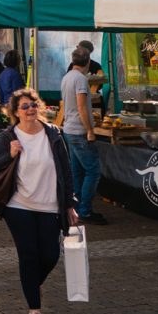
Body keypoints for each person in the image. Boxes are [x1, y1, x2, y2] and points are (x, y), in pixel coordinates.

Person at [0, 87, 78, 314]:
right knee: (28, 256)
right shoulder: (9, 136)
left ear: (39, 107)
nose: (29, 110)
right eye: (24, 107)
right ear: (15, 112)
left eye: (33, 105)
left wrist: (69, 203)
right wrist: (10, 153)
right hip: (19, 205)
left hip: (50, 205)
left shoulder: (53, 135)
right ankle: (34, 313)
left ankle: (32, 284)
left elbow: (65, 171)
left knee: (49, 255)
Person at [60, 46, 106, 225]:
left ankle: (78, 207)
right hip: (79, 131)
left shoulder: (67, 77)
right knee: (93, 171)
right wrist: (90, 130)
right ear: (88, 62)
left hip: (69, 129)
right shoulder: (80, 79)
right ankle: (85, 210)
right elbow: (81, 107)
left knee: (77, 171)